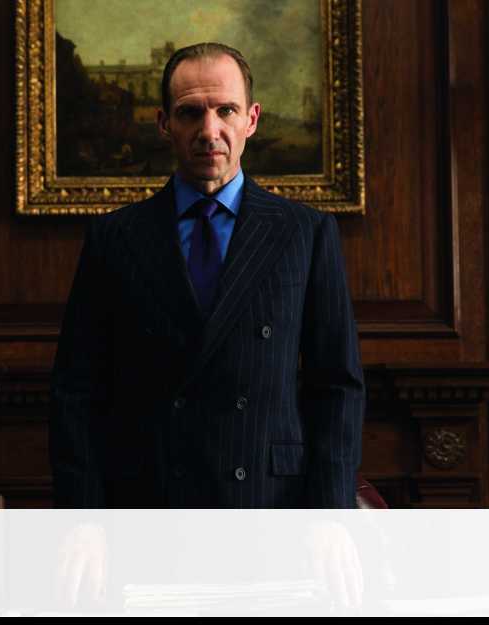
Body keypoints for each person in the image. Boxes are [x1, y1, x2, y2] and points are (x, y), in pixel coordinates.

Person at [50, 42, 364, 510]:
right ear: (164, 124)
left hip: (269, 504)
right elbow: (76, 392)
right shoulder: (114, 237)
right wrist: (83, 520)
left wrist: (330, 517)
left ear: (251, 119)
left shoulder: (306, 232)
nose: (209, 130)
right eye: (191, 112)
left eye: (226, 110)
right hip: (146, 505)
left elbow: (337, 386)